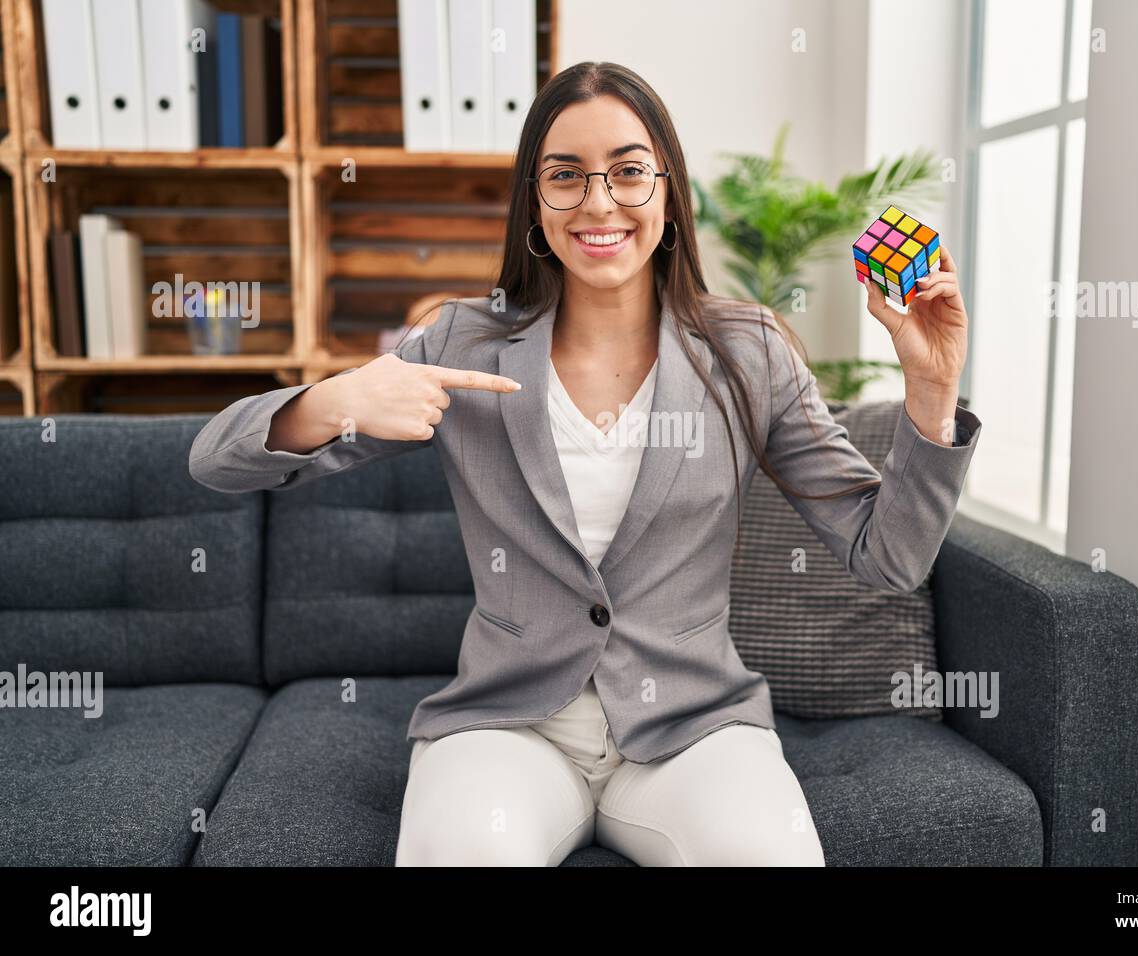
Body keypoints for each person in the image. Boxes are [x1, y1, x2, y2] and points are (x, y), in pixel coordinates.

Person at [188, 61, 982, 866]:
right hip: (509, 726)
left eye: (630, 172)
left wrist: (931, 387)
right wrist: (339, 398)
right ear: (535, 199)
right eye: (566, 176)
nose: (599, 202)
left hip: (692, 730)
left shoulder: (749, 353)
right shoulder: (460, 343)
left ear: (669, 194)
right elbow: (215, 462)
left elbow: (889, 558)